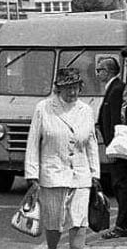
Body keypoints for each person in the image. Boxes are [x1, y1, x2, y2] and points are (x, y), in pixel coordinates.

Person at [25, 67, 100, 249]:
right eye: (68, 88)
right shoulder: (44, 108)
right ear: (58, 89)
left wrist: (95, 173)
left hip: (80, 176)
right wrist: (32, 175)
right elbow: (33, 142)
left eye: (76, 87)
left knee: (78, 222)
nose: (72, 92)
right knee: (54, 224)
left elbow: (91, 144)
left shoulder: (86, 110)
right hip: (53, 176)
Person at [95, 57, 126, 239]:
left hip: (119, 150)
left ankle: (122, 226)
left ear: (108, 71)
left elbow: (115, 121)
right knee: (120, 186)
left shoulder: (116, 89)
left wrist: (113, 147)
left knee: (121, 186)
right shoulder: (113, 88)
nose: (97, 73)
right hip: (116, 147)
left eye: (99, 69)